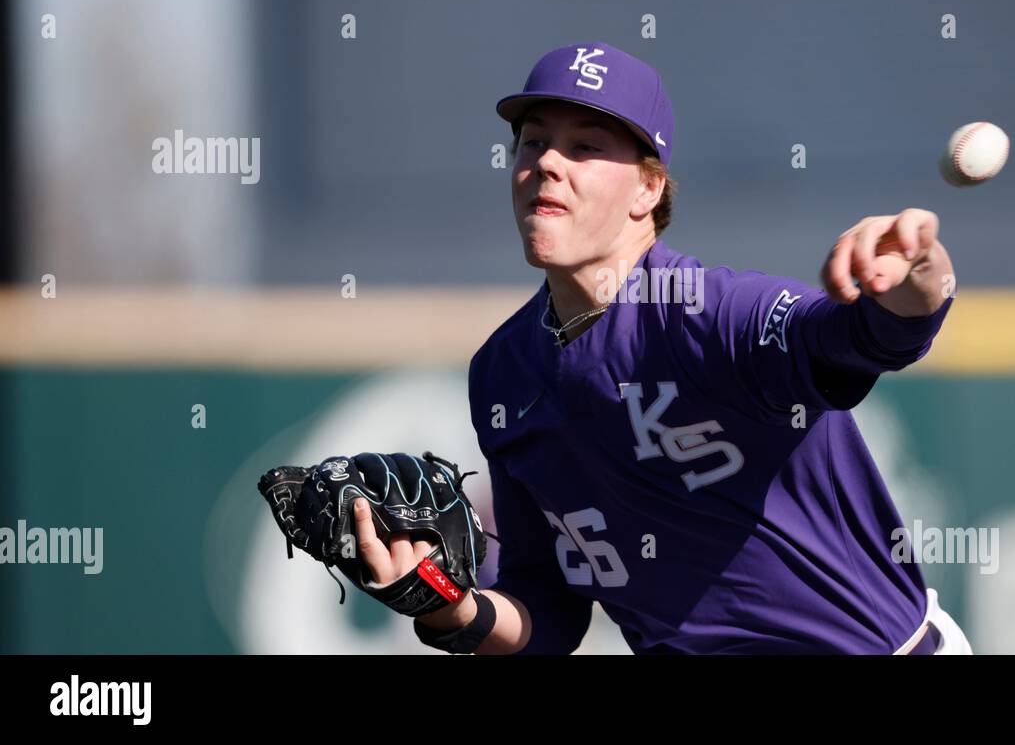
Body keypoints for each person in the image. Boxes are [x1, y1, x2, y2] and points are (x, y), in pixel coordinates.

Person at [355, 41, 972, 654]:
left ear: (648, 190)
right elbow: (547, 606)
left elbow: (858, 340)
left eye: (586, 147)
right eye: (534, 141)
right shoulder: (503, 373)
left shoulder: (710, 314)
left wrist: (919, 275)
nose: (547, 163)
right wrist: (443, 604)